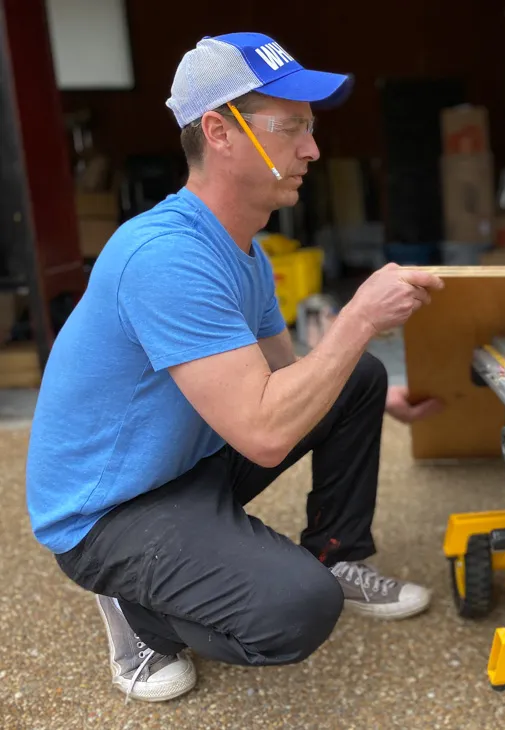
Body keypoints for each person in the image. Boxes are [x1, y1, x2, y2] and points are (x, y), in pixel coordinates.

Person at [25, 32, 445, 703]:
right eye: (292, 128)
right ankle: (134, 606)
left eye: (311, 128)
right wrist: (359, 318)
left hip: (182, 466)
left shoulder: (243, 251)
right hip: (108, 512)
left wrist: (373, 389)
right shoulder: (166, 256)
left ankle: (337, 553)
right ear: (218, 131)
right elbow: (264, 433)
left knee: (355, 376)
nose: (311, 149)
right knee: (293, 611)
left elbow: (289, 371)